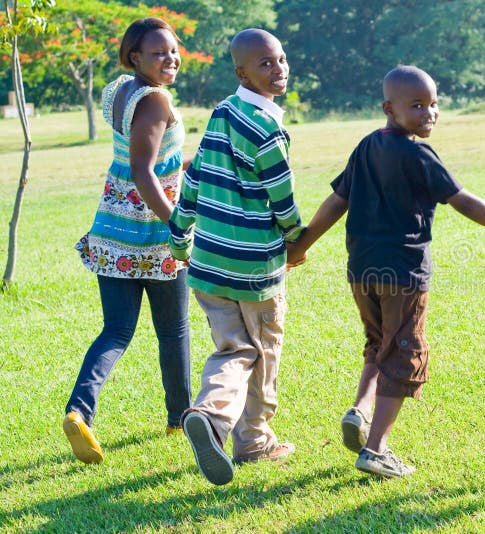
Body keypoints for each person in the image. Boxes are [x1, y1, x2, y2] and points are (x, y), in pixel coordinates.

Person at [291, 65, 485, 478]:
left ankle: (360, 410)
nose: (430, 113)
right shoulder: (419, 154)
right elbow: (462, 200)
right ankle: (376, 450)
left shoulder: (368, 145)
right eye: (417, 106)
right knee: (404, 353)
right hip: (403, 272)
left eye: (433, 103)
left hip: (362, 269)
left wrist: (302, 245)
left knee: (378, 344)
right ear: (390, 108)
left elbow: (337, 201)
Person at [168, 29, 305, 486]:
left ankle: (209, 416)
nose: (278, 68)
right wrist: (295, 238)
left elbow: (194, 179)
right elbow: (281, 197)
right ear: (241, 72)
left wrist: (180, 235)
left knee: (232, 349)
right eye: (266, 63)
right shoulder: (267, 129)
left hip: (207, 266)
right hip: (255, 269)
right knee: (263, 351)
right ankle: (254, 442)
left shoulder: (221, 114)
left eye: (281, 59)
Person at [65, 18, 193, 464]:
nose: (170, 59)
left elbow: (147, 156)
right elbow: (144, 169)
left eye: (173, 50)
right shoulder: (156, 101)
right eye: (158, 53)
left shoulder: (119, 89)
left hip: (112, 232)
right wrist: (176, 224)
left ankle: (79, 412)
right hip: (154, 236)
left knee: (116, 331)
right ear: (134, 57)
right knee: (174, 330)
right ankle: (181, 417)